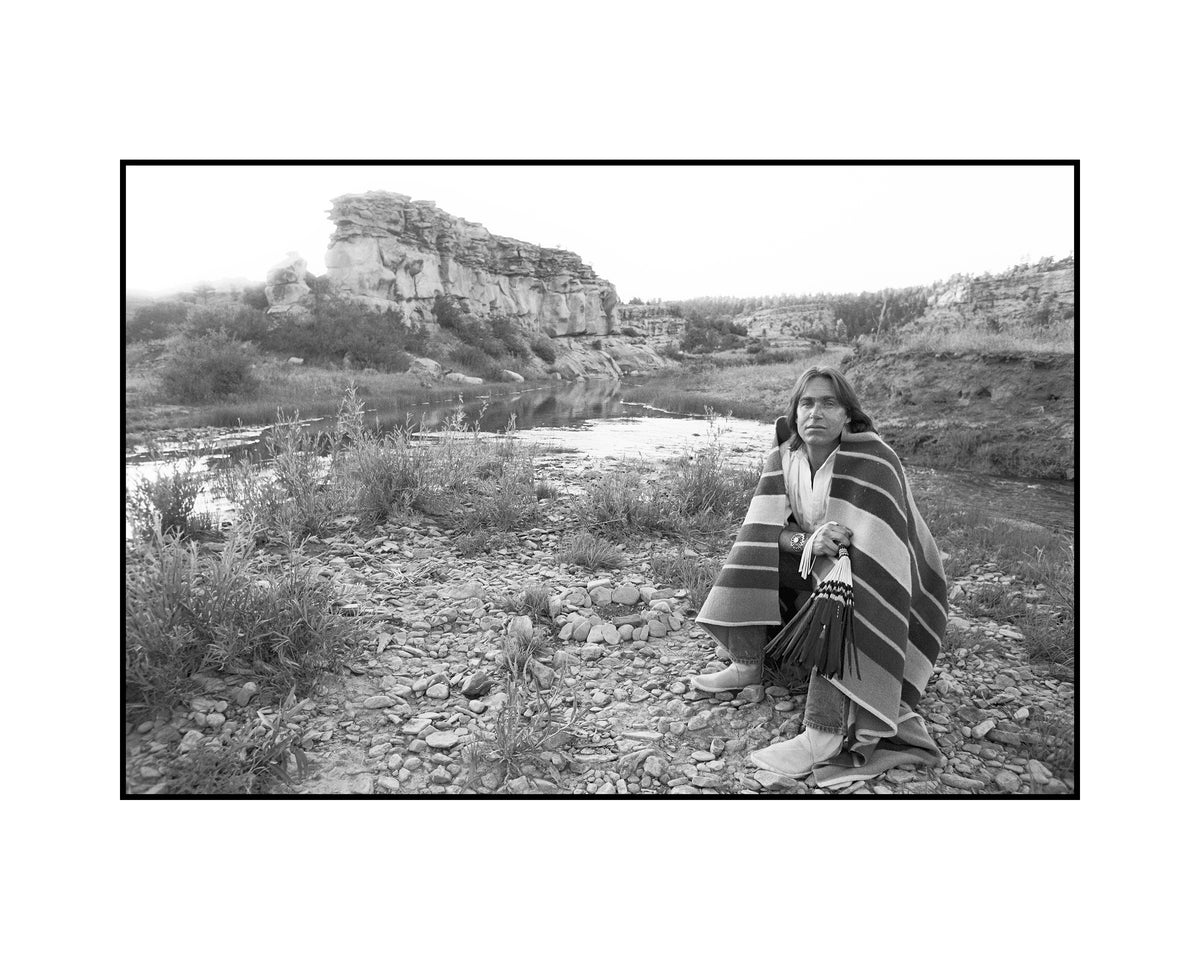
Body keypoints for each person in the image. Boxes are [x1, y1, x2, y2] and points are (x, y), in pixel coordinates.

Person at [687, 367, 949, 786]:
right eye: (806, 403)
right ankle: (748, 663)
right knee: (751, 549)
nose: (816, 413)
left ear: (848, 414)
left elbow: (882, 551)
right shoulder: (784, 457)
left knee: (842, 583)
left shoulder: (875, 460)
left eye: (829, 403)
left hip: (884, 577)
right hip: (817, 559)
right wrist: (807, 543)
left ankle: (823, 733)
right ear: (794, 412)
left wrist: (831, 546)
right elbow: (767, 531)